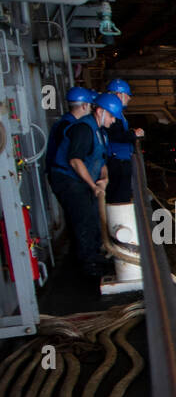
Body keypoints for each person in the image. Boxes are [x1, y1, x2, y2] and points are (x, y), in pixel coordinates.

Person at [47, 92, 122, 279]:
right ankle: (89, 267)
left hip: (82, 180)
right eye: (111, 116)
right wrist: (93, 185)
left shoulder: (100, 132)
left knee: (93, 218)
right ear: (100, 111)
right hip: (67, 180)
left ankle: (96, 255)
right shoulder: (83, 129)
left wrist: (104, 178)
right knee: (84, 220)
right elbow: (75, 161)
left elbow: (101, 160)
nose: (113, 121)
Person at [102, 79, 144, 207]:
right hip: (117, 161)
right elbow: (114, 134)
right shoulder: (113, 113)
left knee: (121, 195)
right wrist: (133, 134)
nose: (129, 98)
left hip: (118, 159)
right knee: (119, 198)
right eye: (128, 95)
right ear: (119, 95)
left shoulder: (117, 113)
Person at [45, 87, 95, 180]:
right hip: (65, 175)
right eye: (90, 106)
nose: (91, 110)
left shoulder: (64, 122)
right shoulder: (70, 126)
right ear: (84, 106)